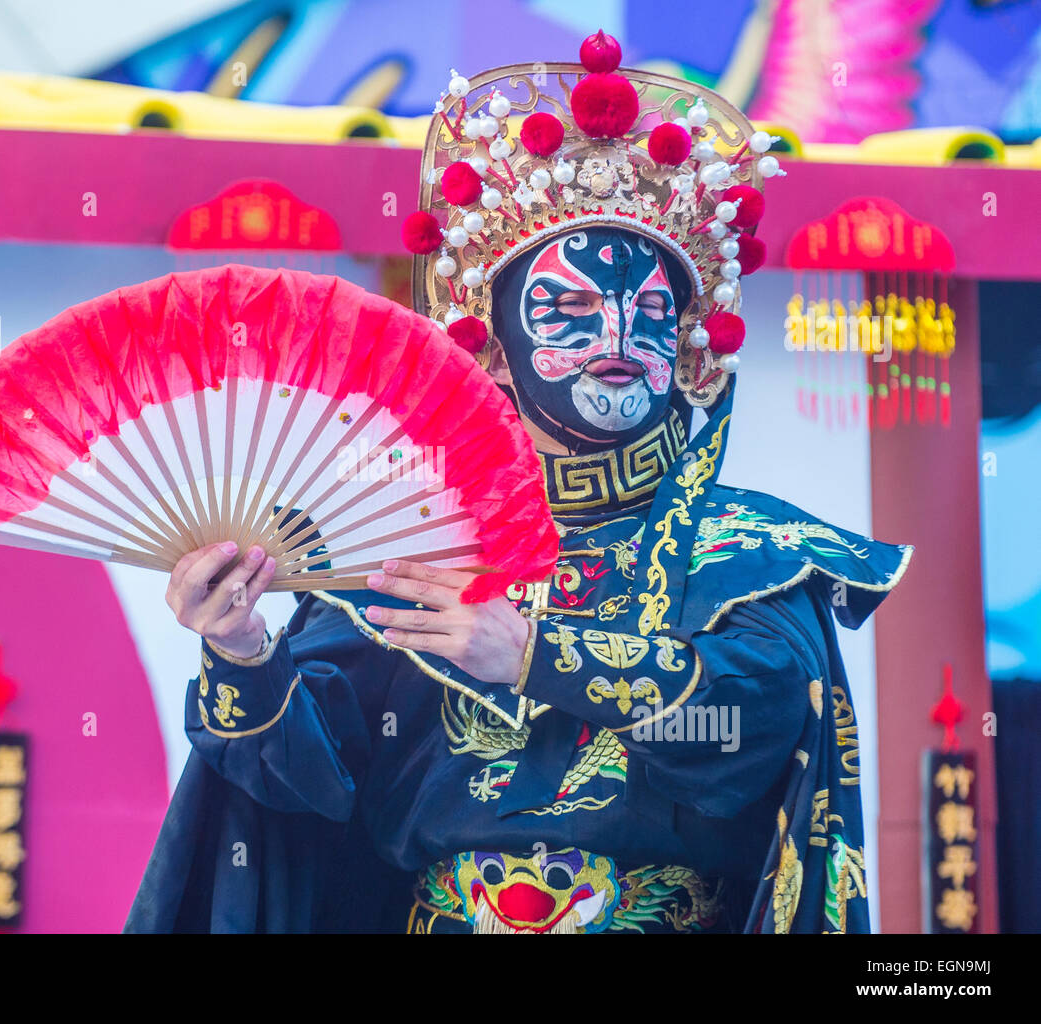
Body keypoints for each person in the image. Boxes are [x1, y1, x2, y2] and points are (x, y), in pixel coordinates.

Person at [125, 31, 910, 934]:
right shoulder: (405, 551)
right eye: (571, 308)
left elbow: (749, 729)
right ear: (493, 348)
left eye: (652, 311)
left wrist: (537, 656)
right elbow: (312, 785)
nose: (618, 337)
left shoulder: (751, 552)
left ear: (691, 346)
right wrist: (240, 648)